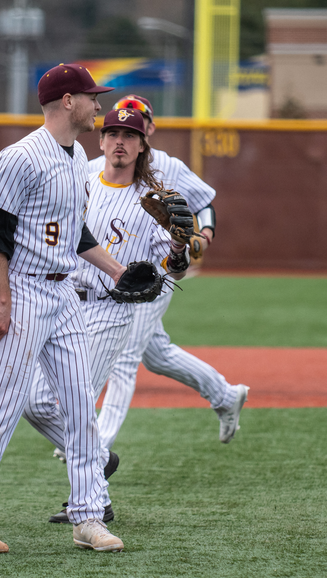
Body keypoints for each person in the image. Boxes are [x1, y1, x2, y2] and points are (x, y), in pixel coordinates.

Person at [0, 64, 130, 554]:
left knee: (78, 406)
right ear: (68, 101)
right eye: (92, 97)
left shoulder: (76, 158)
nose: (99, 105)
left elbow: (75, 234)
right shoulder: (21, 157)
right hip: (21, 290)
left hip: (62, 291)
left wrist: (116, 271)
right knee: (4, 406)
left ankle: (88, 515)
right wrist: (2, 302)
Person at [21, 107, 190, 524]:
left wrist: (180, 247)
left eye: (130, 135)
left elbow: (174, 267)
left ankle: (93, 494)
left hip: (109, 311)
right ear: (100, 141)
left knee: (64, 402)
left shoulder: (151, 200)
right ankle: (98, 465)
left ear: (141, 145)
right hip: (64, 303)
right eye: (113, 132)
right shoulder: (81, 182)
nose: (120, 141)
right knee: (31, 401)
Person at [85, 94, 249, 454]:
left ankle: (98, 445)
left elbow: (203, 201)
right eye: (114, 132)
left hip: (151, 274)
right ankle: (225, 395)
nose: (121, 139)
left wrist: (203, 236)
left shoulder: (167, 166)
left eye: (135, 126)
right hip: (104, 277)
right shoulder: (97, 167)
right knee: (156, 354)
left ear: (148, 131)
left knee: (126, 357)